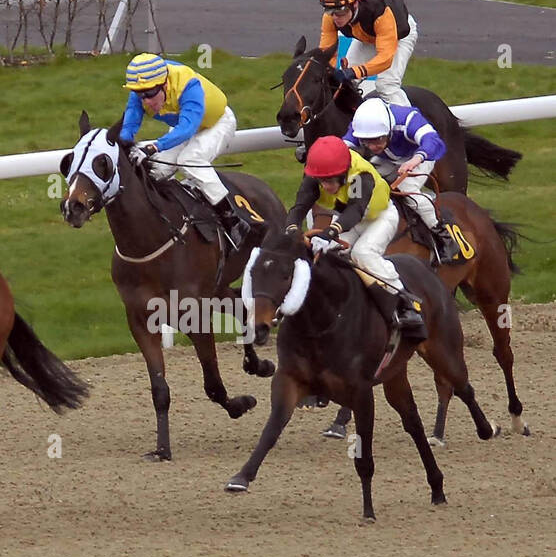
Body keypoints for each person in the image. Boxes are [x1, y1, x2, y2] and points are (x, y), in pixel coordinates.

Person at [286, 135, 427, 345]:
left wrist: (330, 233)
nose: (326, 186)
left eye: (331, 180)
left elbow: (356, 210)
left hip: (379, 217)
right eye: (322, 181)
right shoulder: (314, 175)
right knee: (323, 256)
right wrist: (291, 229)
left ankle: (406, 304)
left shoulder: (360, 175)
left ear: (343, 173)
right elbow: (299, 206)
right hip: (347, 219)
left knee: (363, 253)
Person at [118, 52, 255, 248]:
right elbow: (130, 122)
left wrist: (154, 146)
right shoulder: (141, 91)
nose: (146, 100)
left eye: (149, 94)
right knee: (156, 170)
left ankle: (233, 221)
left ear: (164, 84)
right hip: (184, 124)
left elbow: (187, 128)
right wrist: (124, 144)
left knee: (189, 160)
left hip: (216, 123)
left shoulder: (188, 84)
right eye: (140, 95)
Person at [343, 97, 458, 264]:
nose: (373, 146)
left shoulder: (408, 119)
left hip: (420, 155)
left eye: (378, 139)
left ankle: (444, 236)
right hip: (388, 159)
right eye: (367, 142)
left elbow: (433, 140)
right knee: (363, 182)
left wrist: (415, 160)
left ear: (389, 129)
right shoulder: (359, 125)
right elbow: (341, 146)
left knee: (406, 187)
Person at [317, 0, 418, 107]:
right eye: (329, 10)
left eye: (340, 11)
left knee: (386, 84)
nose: (335, 17)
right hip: (367, 36)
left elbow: (385, 59)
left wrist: (355, 71)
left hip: (398, 35)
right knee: (341, 85)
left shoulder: (379, 11)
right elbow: (326, 53)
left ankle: (410, 123)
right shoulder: (331, 17)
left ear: (355, 3)